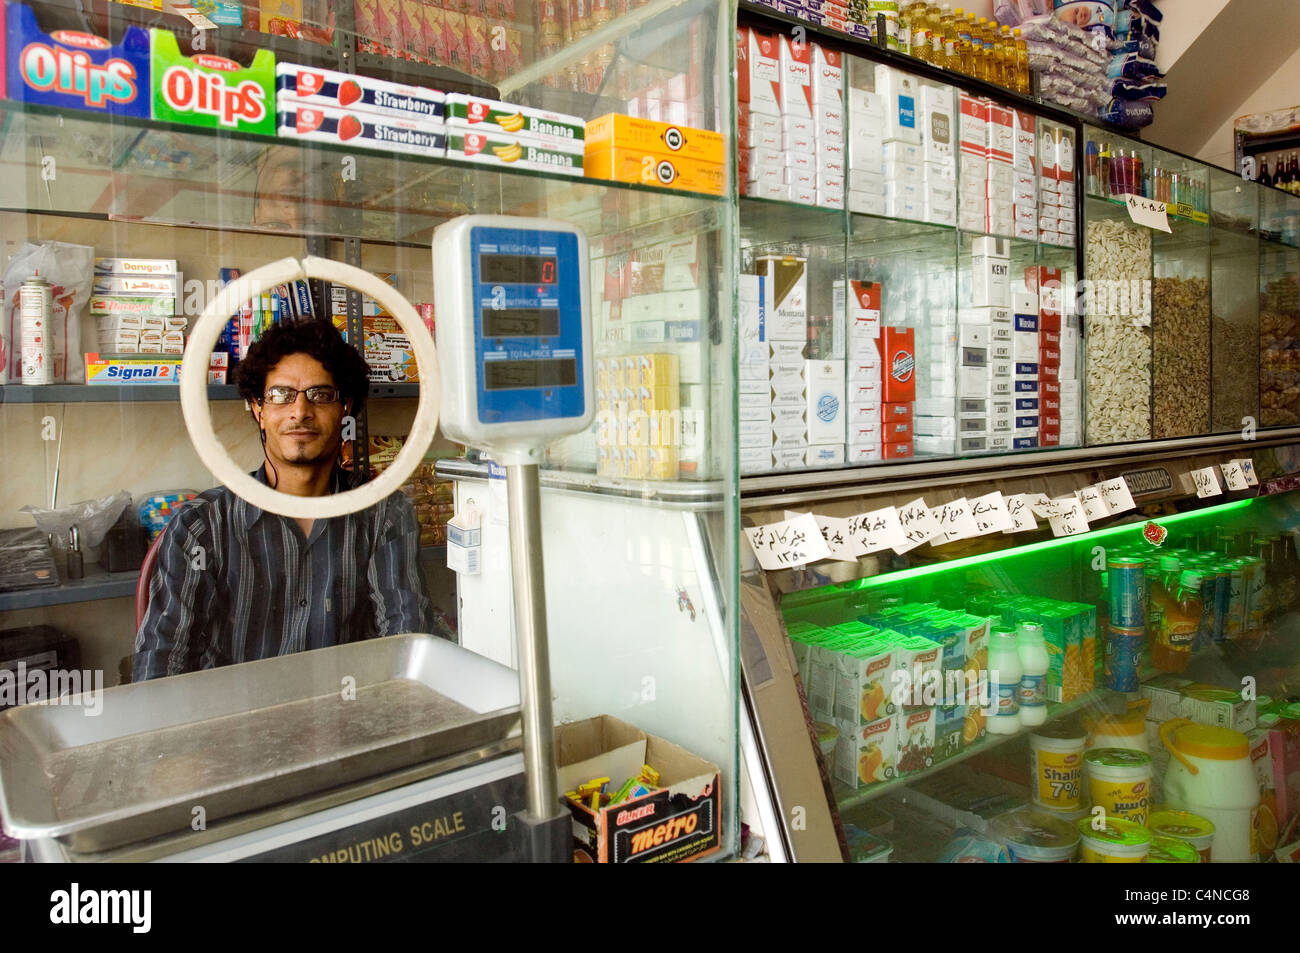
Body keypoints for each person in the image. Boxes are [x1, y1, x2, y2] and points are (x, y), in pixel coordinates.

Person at [133, 320, 433, 680]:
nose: (300, 411)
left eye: (321, 395)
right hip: (236, 726)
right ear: (258, 409)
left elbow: (407, 643)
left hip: (350, 719)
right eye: (280, 395)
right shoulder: (201, 526)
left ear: (346, 407)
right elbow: (162, 665)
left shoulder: (384, 514)